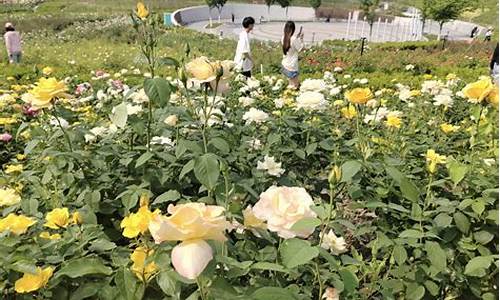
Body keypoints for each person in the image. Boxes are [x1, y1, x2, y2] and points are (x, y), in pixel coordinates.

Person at [281, 21, 304, 89]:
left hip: (285, 64)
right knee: (295, 86)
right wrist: (301, 39)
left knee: (290, 84)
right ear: (293, 29)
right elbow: (301, 48)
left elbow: (290, 44)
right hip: (292, 66)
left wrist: (297, 38)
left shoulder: (283, 37)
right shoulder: (293, 39)